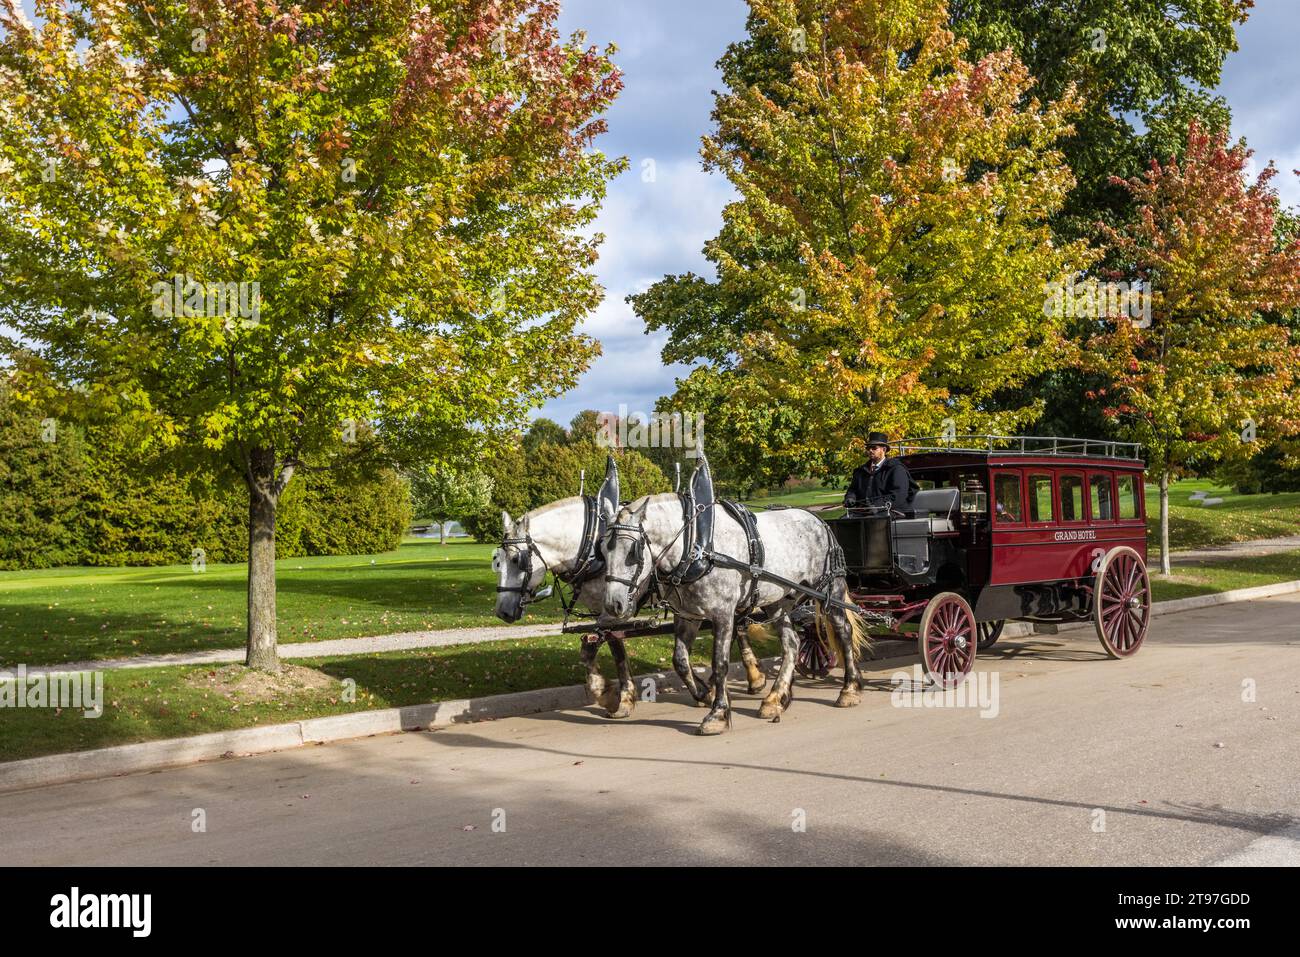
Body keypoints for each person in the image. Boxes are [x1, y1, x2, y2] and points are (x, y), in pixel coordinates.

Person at [845, 432, 917, 514]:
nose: (870, 450)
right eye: (868, 448)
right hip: (864, 512)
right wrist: (850, 498)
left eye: (874, 448)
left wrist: (877, 506)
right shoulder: (861, 471)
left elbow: (898, 495)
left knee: (873, 523)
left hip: (891, 511)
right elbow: (852, 490)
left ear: (884, 449)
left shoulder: (896, 469)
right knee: (841, 522)